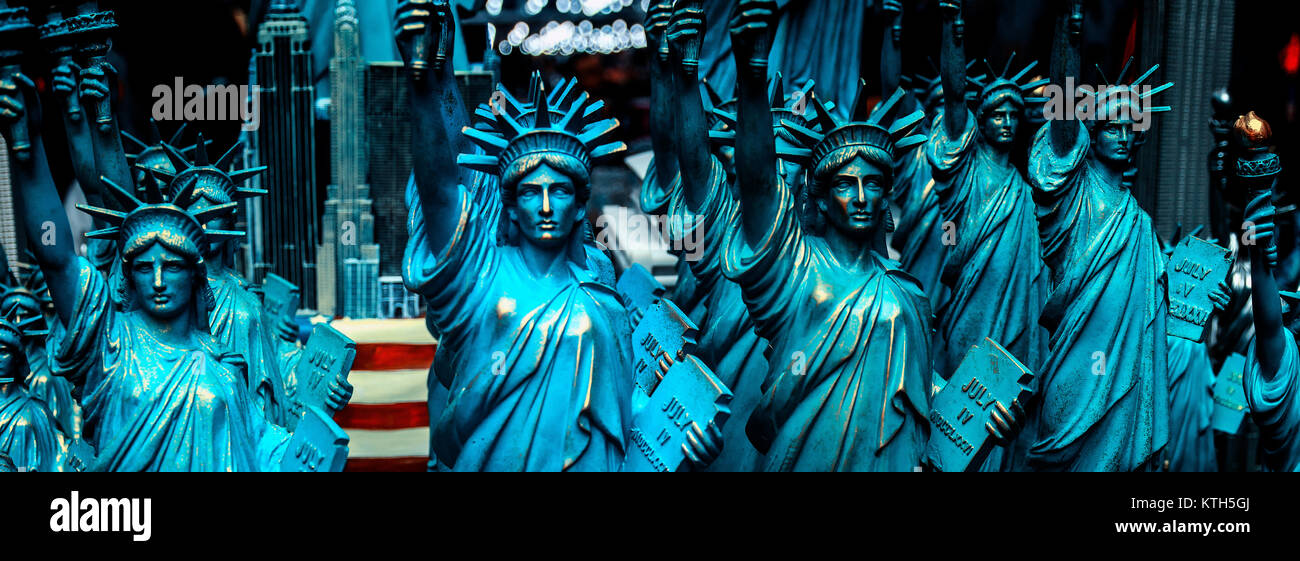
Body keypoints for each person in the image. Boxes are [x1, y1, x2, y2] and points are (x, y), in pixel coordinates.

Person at [395, 0, 718, 471]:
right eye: (530, 192)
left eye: (561, 191)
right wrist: (426, 77)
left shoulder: (603, 301)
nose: (545, 207)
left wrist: (683, 444)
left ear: (580, 202)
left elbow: (628, 411)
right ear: (509, 203)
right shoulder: (482, 281)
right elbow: (444, 188)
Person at [721, 0, 1018, 471]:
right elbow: (758, 182)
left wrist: (983, 415)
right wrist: (753, 76)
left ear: (886, 195)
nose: (861, 195)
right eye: (845, 184)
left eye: (873, 183)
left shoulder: (907, 292)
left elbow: (920, 388)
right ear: (819, 200)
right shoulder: (796, 269)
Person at [0, 69, 333, 471]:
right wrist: (28, 147)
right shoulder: (110, 347)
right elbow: (56, 256)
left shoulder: (225, 368)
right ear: (128, 276)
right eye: (143, 267)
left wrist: (313, 441)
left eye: (172, 266)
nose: (157, 281)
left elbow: (265, 445)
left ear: (196, 275)